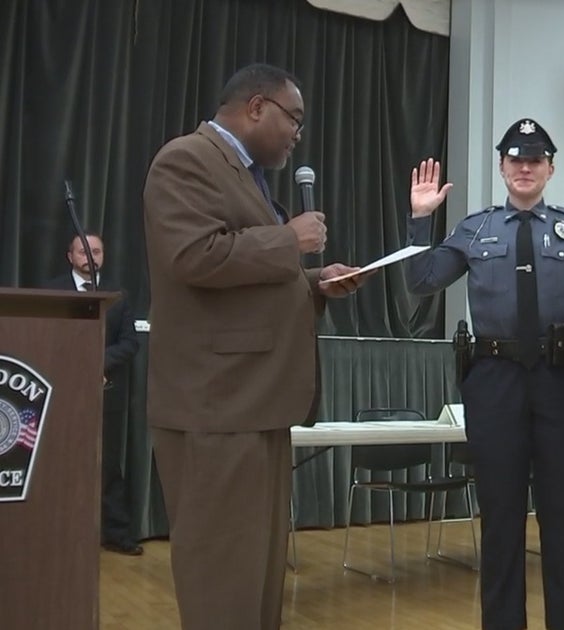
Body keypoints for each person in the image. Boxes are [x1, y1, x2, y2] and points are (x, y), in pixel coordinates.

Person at [142, 63, 365, 630]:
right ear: (257, 107)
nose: (298, 135)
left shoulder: (246, 176)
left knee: (256, 571)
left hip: (255, 406)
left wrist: (317, 283)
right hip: (215, 406)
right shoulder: (185, 159)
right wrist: (288, 240)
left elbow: (249, 276)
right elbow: (194, 257)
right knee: (222, 572)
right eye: (295, 120)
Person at [405, 118, 564, 630]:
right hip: (495, 380)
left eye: (535, 160)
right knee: (500, 518)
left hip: (562, 379)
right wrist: (420, 220)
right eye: (516, 159)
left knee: (563, 518)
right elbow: (421, 281)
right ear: (502, 167)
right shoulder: (475, 229)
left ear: (550, 168)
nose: (525, 168)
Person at [45, 232, 142, 555]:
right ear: (69, 256)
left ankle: (115, 534)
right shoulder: (52, 291)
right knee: (60, 463)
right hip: (61, 393)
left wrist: (97, 362)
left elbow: (130, 342)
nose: (91, 256)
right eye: (83, 251)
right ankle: (58, 533)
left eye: (96, 251)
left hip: (106, 393)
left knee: (108, 465)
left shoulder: (117, 294)